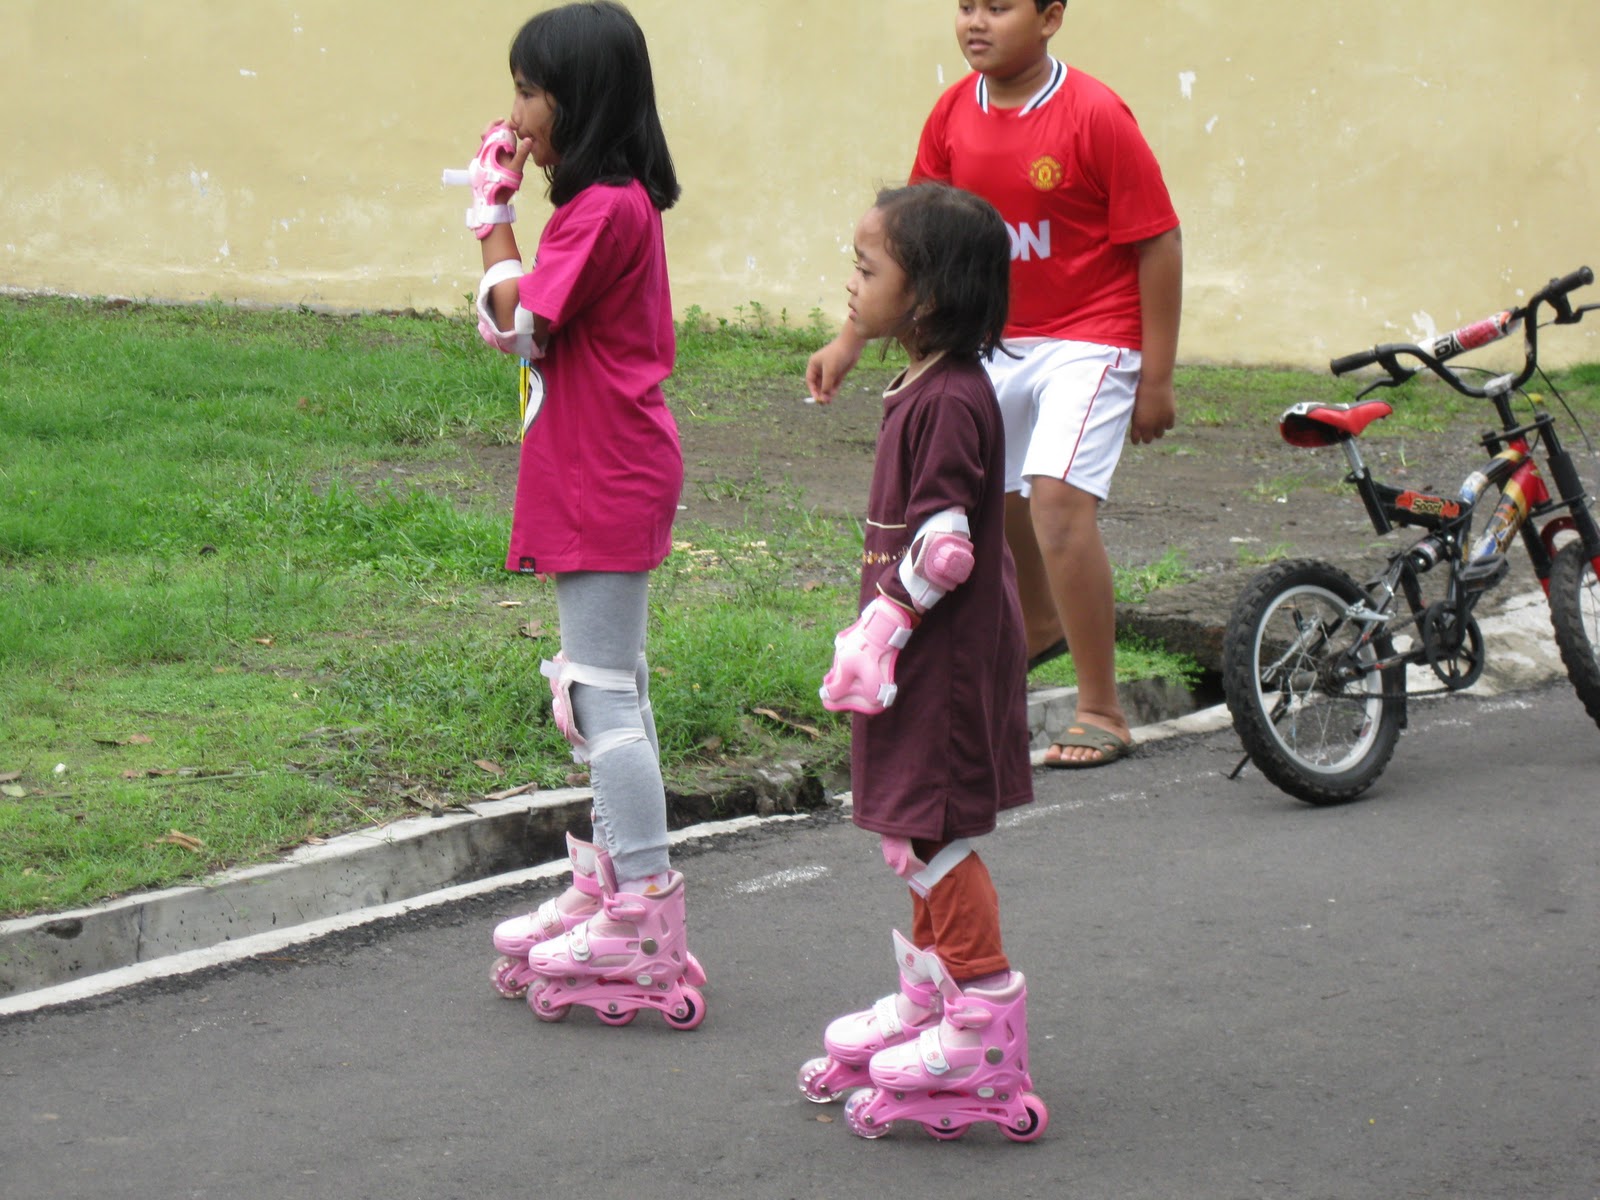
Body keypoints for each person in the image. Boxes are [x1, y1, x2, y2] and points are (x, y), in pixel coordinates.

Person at [807, 0, 1183, 769]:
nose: (976, 22)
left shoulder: (1097, 115)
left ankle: (1101, 709)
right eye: (966, 6)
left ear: (1051, 17)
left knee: (1056, 502)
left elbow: (1158, 241)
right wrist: (851, 339)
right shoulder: (951, 113)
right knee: (991, 493)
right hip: (998, 340)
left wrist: (1157, 377)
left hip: (1093, 335)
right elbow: (910, 241)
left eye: (999, 7)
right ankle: (1039, 623)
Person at [464, 1, 705, 1030]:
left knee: (600, 698)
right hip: (592, 468)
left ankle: (643, 909)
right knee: (598, 691)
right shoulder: (601, 205)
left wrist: (491, 221)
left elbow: (519, 332)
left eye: (528, 91)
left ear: (579, 98)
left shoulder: (604, 208)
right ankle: (609, 881)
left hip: (606, 473)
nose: (513, 114)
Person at [797, 184, 1048, 1142]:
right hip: (919, 653)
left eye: (868, 272)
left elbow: (947, 547)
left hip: (937, 661)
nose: (853, 286)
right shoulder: (927, 381)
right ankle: (931, 995)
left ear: (928, 297)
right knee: (908, 828)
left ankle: (982, 1019)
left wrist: (884, 626)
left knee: (935, 833)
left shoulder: (948, 401)